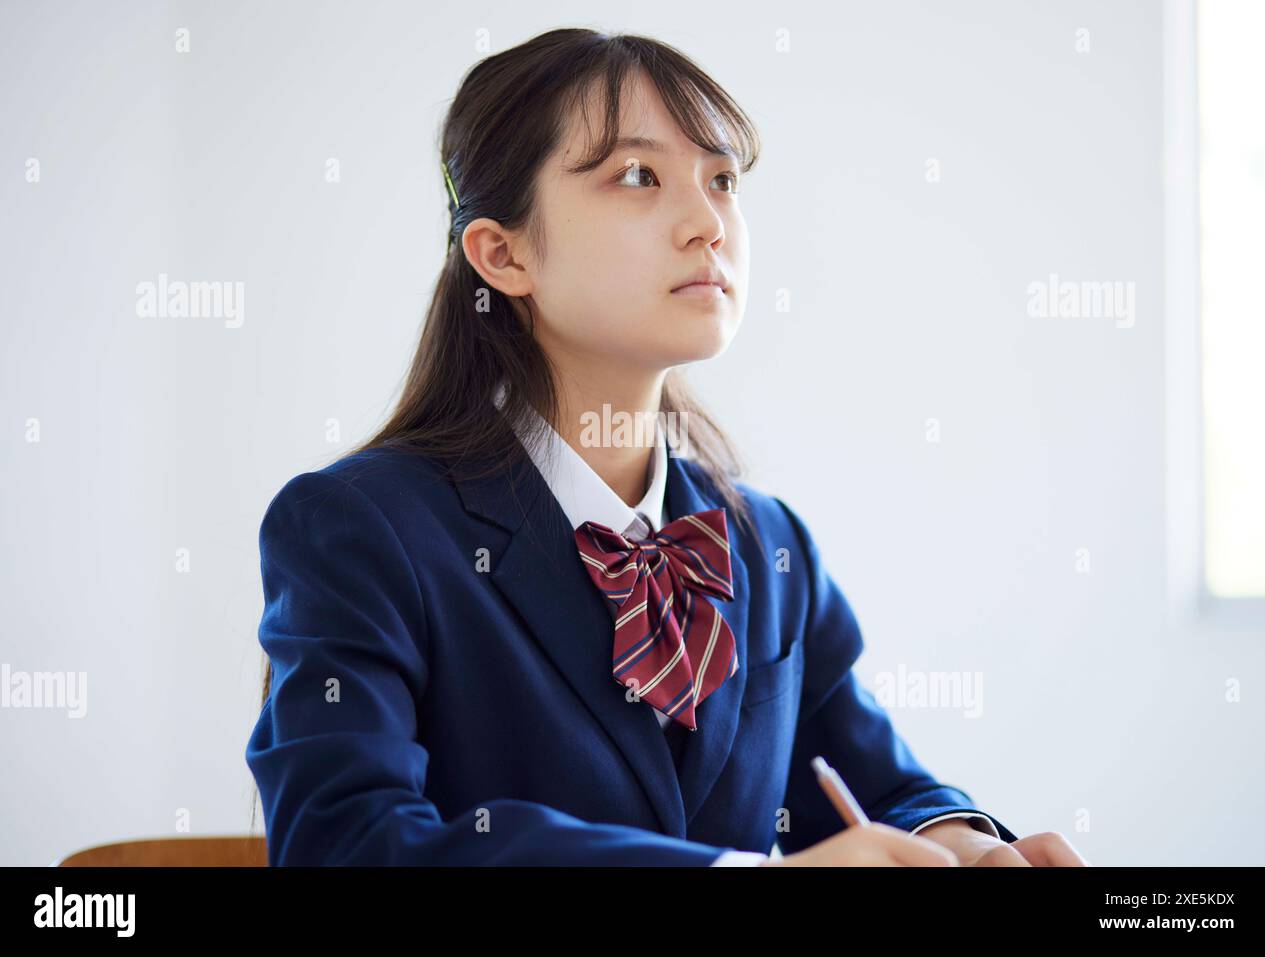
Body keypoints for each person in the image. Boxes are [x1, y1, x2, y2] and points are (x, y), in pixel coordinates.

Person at [246, 27, 1086, 867]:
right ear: (502, 254)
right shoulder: (359, 528)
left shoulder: (767, 543)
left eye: (722, 179)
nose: (708, 222)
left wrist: (963, 844)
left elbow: (877, 785)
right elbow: (345, 844)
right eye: (638, 176)